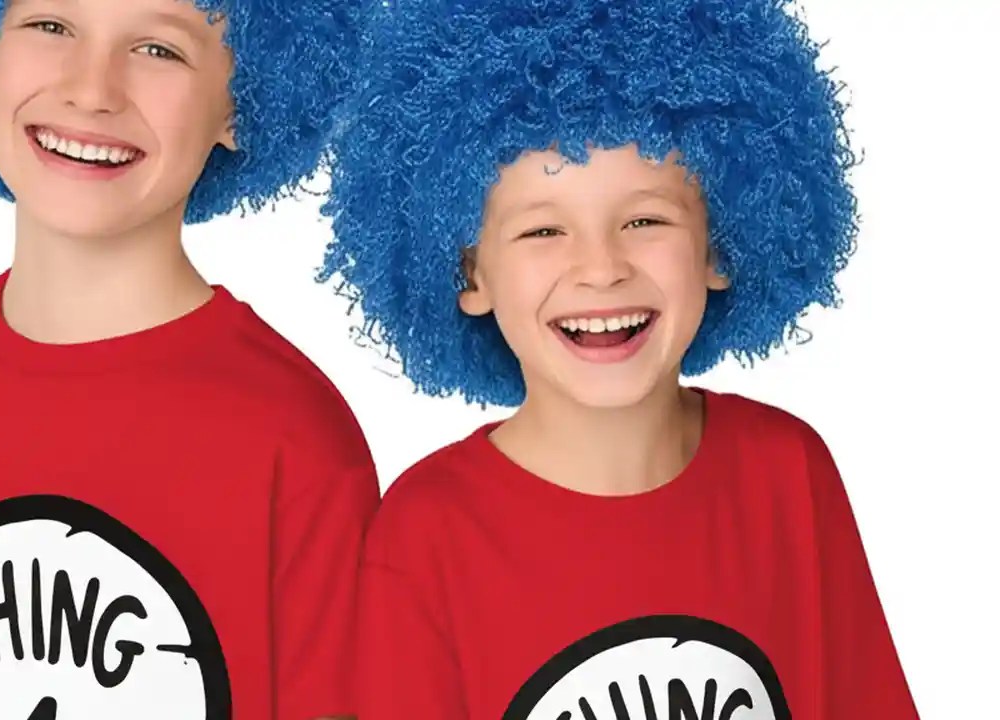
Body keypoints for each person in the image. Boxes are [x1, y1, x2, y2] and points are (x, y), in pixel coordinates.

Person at [318, 0, 920, 716]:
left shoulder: (789, 477)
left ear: (720, 246)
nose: (601, 269)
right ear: (468, 273)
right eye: (543, 231)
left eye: (644, 220)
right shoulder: (428, 537)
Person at [0, 2, 378, 719]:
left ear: (241, 105)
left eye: (159, 49)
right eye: (51, 25)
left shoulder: (298, 443)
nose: (92, 89)